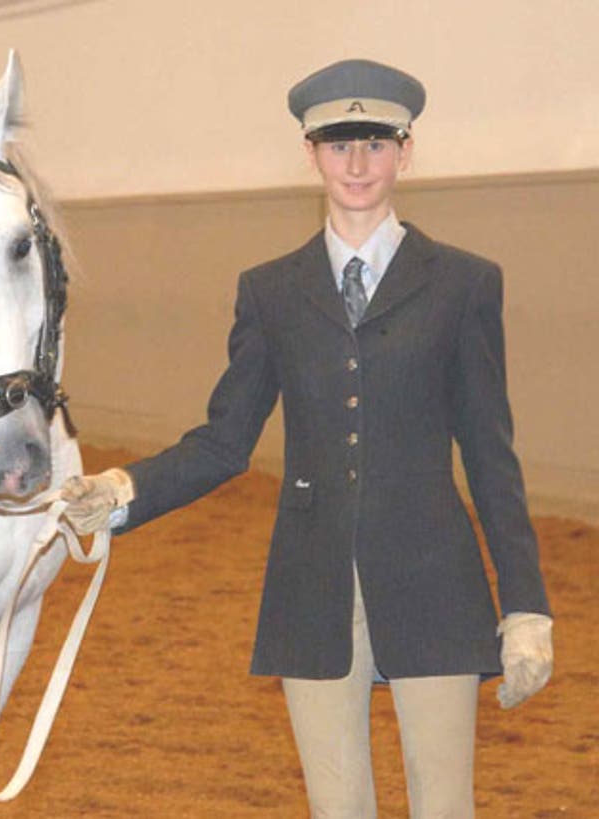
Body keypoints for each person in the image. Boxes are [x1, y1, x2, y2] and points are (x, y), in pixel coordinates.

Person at [62, 58, 553, 817]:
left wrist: (525, 605)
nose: (357, 163)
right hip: (312, 589)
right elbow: (225, 439)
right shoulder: (270, 291)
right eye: (337, 144)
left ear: (406, 151)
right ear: (310, 153)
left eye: (376, 142)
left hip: (434, 582)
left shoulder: (464, 284)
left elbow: (492, 456)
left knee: (445, 803)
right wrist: (124, 490)